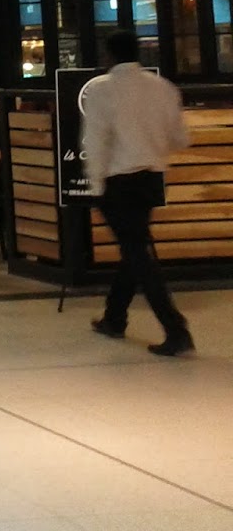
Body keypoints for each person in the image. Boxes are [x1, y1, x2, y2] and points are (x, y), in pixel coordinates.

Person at [84, 30, 194, 356]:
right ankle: (114, 317)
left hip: (117, 182)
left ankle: (175, 329)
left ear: (109, 55)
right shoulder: (163, 87)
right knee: (134, 249)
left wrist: (95, 185)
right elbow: (181, 138)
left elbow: (96, 141)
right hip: (151, 179)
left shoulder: (102, 90)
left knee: (137, 254)